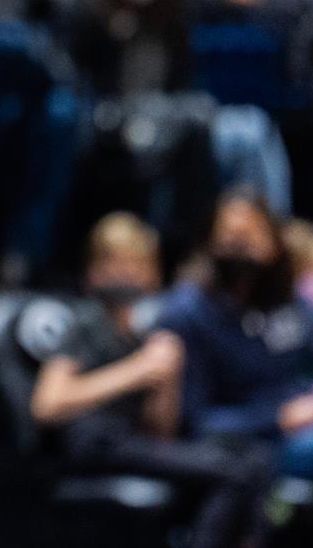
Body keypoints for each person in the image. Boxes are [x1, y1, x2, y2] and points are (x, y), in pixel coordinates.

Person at [28, 213, 270, 548]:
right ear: (93, 268)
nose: (124, 273)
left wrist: (167, 377)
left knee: (254, 462)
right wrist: (138, 370)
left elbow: (161, 430)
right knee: (235, 473)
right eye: (112, 262)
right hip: (91, 444)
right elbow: (47, 404)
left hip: (131, 442)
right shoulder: (83, 321)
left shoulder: (143, 333)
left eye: (135, 263)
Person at [161, 191, 313, 484]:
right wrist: (278, 418)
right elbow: (194, 422)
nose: (239, 249)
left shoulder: (289, 304)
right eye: (230, 239)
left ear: (273, 245)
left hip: (310, 425)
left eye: (248, 238)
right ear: (208, 244)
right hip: (249, 445)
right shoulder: (188, 313)